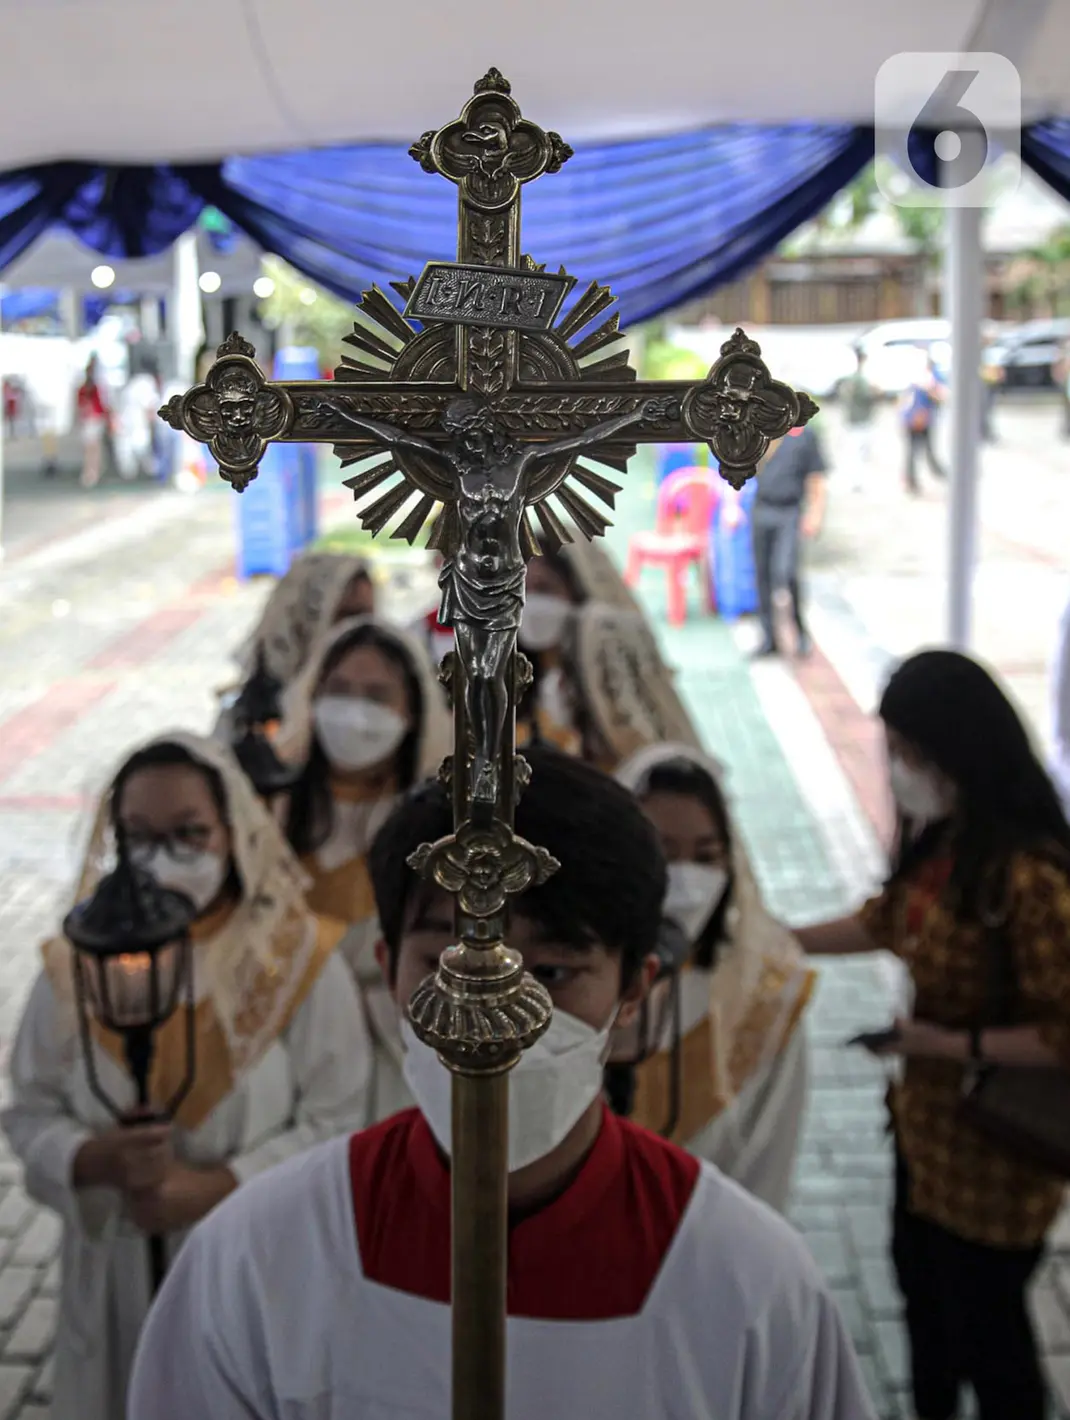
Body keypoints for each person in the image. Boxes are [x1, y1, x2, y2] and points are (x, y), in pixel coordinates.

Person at [129, 747, 876, 1420]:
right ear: (389, 974)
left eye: (551, 973)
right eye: (445, 965)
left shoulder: (748, 1286)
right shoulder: (262, 1254)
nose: (493, 1018)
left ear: (634, 992)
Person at [2, 733, 372, 1420]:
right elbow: (29, 1110)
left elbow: (339, 1122)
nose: (163, 857)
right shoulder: (75, 965)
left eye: (188, 834)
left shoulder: (299, 960)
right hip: (116, 1270)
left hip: (257, 1269)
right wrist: (91, 1157)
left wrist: (214, 1188)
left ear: (234, 834)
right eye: (138, 836)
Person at [795, 649, 1070, 1420]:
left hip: (999, 1159)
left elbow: (1063, 1031)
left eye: (913, 754)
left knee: (994, 1343)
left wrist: (946, 1047)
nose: (902, 770)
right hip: (927, 1142)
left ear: (961, 752)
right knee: (925, 1313)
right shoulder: (942, 848)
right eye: (897, 751)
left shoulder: (1028, 877)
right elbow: (882, 923)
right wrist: (774, 940)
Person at [615, 743, 815, 1210]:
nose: (686, 882)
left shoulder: (766, 997)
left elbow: (769, 1161)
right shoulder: (577, 982)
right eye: (663, 853)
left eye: (706, 858)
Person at [276, 615, 449, 985]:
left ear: (412, 711)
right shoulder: (272, 806)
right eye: (338, 690)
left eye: (377, 696)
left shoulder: (440, 819)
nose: (353, 713)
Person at [516, 533, 701, 769]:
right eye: (522, 592)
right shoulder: (516, 684)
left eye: (544, 589)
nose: (532, 604)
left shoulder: (611, 672)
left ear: (577, 589)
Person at [214, 551, 377, 739]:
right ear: (304, 622)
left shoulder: (378, 703)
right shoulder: (247, 722)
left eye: (368, 618)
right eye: (348, 617)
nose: (361, 632)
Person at [750, 421, 827, 659]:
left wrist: (815, 514)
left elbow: (816, 478)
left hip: (789, 511)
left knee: (786, 573)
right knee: (762, 575)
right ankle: (769, 637)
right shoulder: (757, 430)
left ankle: (800, 632)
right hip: (762, 508)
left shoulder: (803, 435)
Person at [898, 352, 946, 495]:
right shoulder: (926, 380)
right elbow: (938, 396)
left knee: (920, 450)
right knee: (916, 451)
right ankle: (912, 480)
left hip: (916, 419)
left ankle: (921, 477)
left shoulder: (919, 378)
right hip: (918, 419)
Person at [114, 357, 161, 480]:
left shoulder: (130, 382)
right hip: (137, 421)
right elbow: (150, 406)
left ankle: (132, 476)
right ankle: (150, 475)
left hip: (127, 420)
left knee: (129, 450)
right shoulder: (146, 382)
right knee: (141, 448)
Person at [839, 348, 878, 491]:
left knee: (854, 451)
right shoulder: (860, 379)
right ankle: (856, 481)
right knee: (858, 452)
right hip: (860, 419)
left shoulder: (852, 378)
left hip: (853, 418)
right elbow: (868, 396)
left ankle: (855, 480)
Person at [75, 356, 109, 489]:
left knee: (92, 448)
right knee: (92, 448)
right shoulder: (89, 388)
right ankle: (92, 472)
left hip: (92, 419)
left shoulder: (90, 388)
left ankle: (92, 473)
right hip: (92, 419)